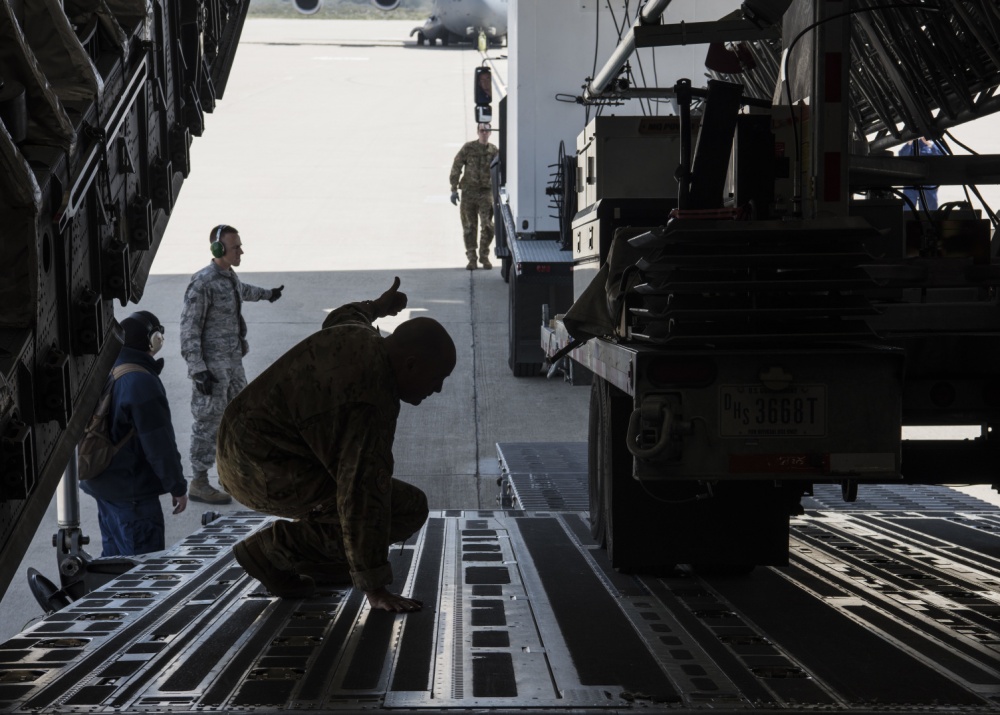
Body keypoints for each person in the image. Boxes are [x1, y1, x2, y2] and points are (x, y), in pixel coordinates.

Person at [220, 278, 456, 611]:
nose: (438, 390)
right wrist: (375, 588)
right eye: (438, 378)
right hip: (260, 468)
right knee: (404, 508)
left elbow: (343, 315)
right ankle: (272, 550)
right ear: (411, 365)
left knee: (384, 501)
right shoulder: (370, 400)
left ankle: (318, 563)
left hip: (243, 440)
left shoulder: (362, 336)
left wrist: (378, 306)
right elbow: (361, 493)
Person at [180, 224, 284, 505]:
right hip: (212, 368)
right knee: (208, 422)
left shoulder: (229, 277)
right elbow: (189, 329)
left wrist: (268, 294)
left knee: (242, 415)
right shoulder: (202, 283)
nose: (241, 251)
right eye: (235, 246)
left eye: (240, 245)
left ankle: (238, 473)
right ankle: (199, 482)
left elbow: (243, 291)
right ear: (218, 249)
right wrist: (198, 369)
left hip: (233, 362)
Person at [80, 312, 188, 556]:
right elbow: (160, 445)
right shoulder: (141, 381)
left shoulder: (110, 368)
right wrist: (177, 487)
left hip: (106, 489)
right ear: (154, 341)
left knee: (114, 570)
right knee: (142, 573)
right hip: (133, 495)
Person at [450, 123, 499, 270]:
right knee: (469, 227)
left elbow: (500, 170)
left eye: (487, 131)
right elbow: (457, 165)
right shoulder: (468, 148)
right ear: (478, 132)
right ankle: (472, 258)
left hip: (485, 193)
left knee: (488, 226)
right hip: (469, 193)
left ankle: (484, 255)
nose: (484, 133)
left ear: (490, 133)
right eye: (482, 130)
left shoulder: (494, 151)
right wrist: (454, 188)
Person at [898, 136, 946, 212]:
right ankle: (907, 220)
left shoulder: (933, 144)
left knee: (929, 207)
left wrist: (929, 144)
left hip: (928, 182)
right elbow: (902, 155)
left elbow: (943, 156)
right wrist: (909, 142)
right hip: (911, 181)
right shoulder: (912, 145)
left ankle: (929, 222)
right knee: (908, 206)